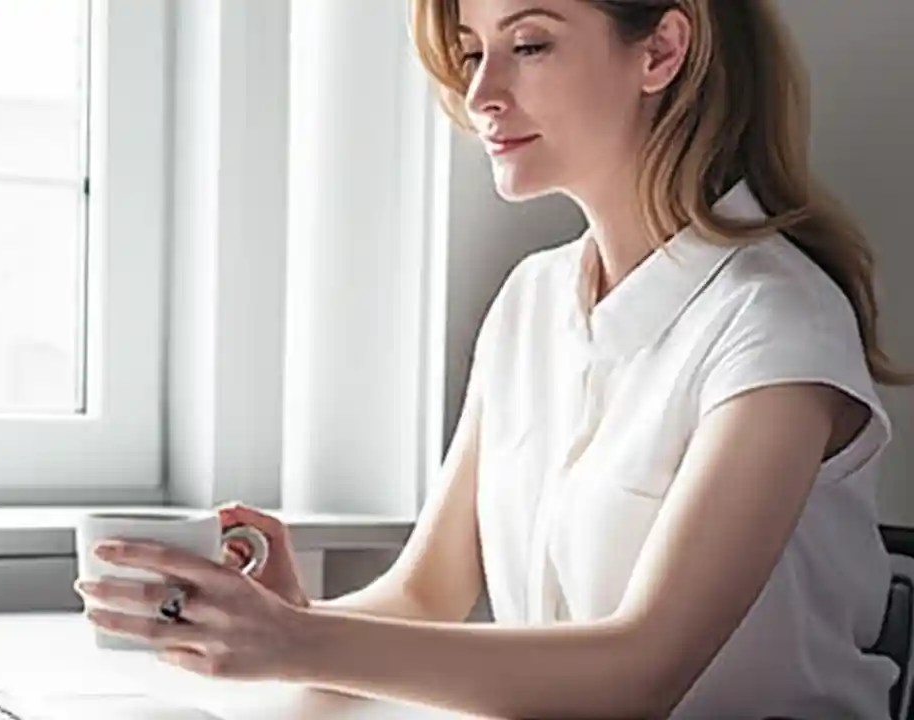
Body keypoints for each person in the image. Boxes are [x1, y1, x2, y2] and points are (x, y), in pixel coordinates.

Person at [76, 0, 914, 717]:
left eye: (531, 44)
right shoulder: (532, 300)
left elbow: (642, 673)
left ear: (661, 50)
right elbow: (425, 594)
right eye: (473, 51)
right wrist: (276, 620)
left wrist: (298, 642)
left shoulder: (776, 318)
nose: (481, 92)